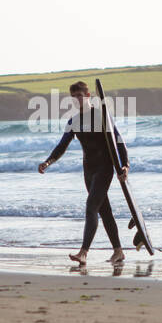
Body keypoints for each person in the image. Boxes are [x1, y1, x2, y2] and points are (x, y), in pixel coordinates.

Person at [38, 81, 128, 266]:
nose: (77, 99)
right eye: (74, 96)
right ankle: (118, 251)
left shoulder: (101, 115)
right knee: (104, 210)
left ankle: (83, 253)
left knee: (91, 206)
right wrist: (48, 161)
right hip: (88, 170)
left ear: (88, 96)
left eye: (80, 95)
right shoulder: (73, 121)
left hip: (104, 167)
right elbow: (62, 146)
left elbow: (118, 141)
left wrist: (124, 165)